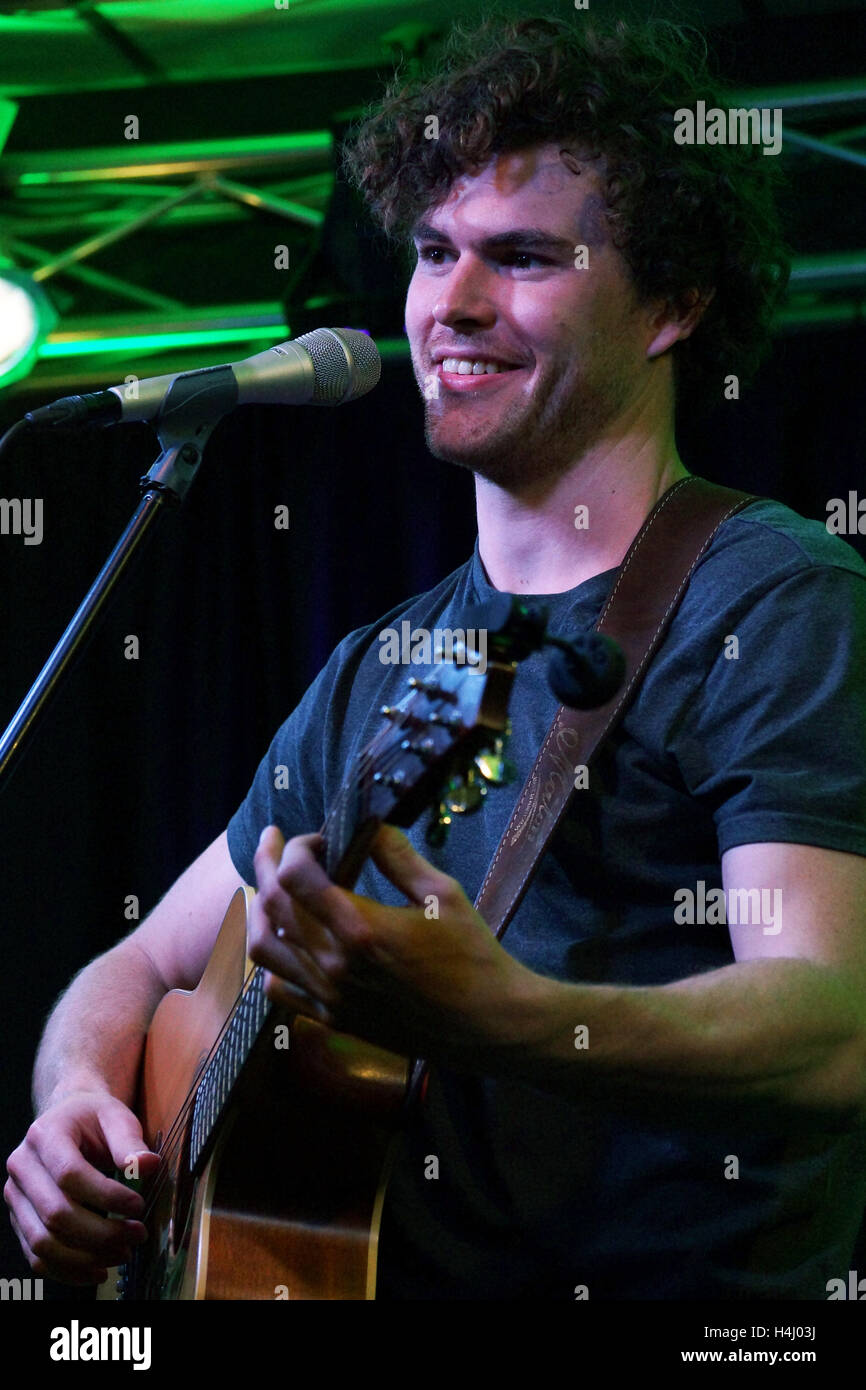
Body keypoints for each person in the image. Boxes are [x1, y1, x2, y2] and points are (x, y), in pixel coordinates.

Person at [6, 15, 866, 1300]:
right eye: (431, 252)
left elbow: (830, 1022)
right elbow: (133, 968)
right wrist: (77, 1101)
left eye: (520, 258)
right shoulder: (377, 665)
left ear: (671, 307)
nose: (449, 303)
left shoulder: (771, 591)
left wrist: (504, 1014)